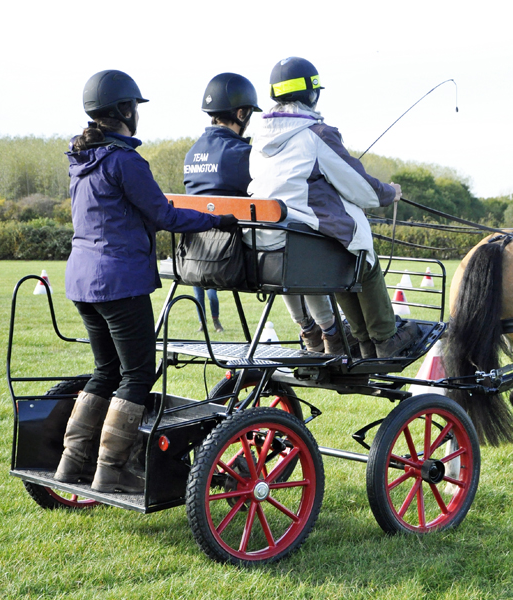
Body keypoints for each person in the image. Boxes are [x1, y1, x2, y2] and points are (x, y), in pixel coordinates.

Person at [55, 70, 236, 493]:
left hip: (81, 280)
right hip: (119, 281)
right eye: (134, 107)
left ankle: (69, 464)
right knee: (138, 373)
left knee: (106, 371)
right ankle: (110, 471)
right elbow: (165, 216)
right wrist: (217, 220)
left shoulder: (81, 159)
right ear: (124, 110)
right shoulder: (125, 160)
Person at [248, 57, 419, 359]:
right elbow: (359, 186)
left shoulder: (260, 138)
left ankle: (363, 339)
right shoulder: (316, 134)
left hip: (270, 237)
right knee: (363, 256)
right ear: (312, 94)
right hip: (306, 235)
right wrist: (388, 193)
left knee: (346, 254)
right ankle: (384, 338)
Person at [185, 72, 346, 354]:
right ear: (241, 112)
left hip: (198, 255)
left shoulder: (192, 154)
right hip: (239, 257)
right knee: (306, 244)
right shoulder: (241, 153)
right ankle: (330, 331)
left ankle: (308, 329)